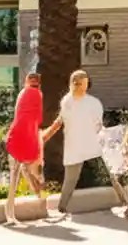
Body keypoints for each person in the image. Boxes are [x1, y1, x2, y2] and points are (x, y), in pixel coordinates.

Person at [41, 70, 105, 220]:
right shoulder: (68, 101)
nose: (78, 85)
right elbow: (60, 121)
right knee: (71, 179)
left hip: (88, 145)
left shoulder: (90, 102)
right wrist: (46, 135)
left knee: (108, 173)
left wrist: (47, 135)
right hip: (78, 146)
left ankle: (125, 201)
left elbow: (98, 126)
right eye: (76, 82)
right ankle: (62, 207)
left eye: (80, 82)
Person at [4, 72, 47, 226]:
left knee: (13, 178)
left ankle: (10, 214)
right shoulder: (39, 95)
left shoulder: (22, 93)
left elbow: (17, 115)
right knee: (34, 172)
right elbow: (39, 119)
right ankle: (42, 200)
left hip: (15, 137)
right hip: (29, 139)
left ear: (26, 82)